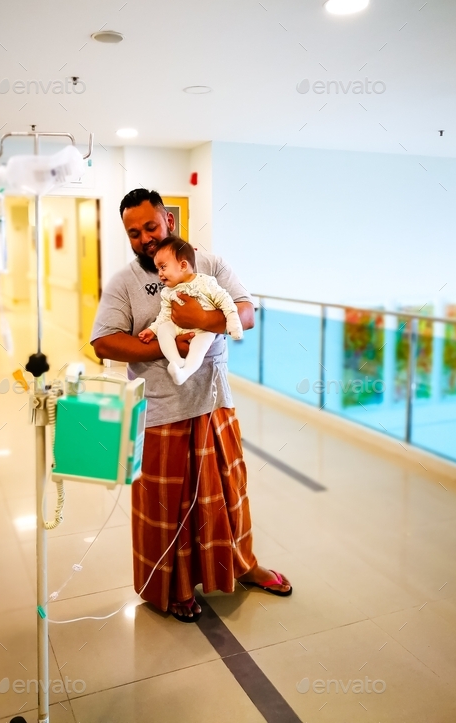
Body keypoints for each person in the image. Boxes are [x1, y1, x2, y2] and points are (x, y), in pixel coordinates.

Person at [91, 188, 292, 622]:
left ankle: (244, 566)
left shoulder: (210, 265)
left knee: (228, 496)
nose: (144, 238)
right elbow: (102, 342)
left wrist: (202, 322)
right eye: (133, 232)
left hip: (215, 404)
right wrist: (166, 348)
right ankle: (173, 588)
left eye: (150, 226)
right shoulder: (124, 282)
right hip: (161, 412)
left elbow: (247, 312)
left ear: (169, 221)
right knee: (168, 507)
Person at [138, 235, 243, 385]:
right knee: (163, 329)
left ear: (182, 266)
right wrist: (153, 329)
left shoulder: (205, 282)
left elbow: (224, 300)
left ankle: (184, 374)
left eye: (163, 267)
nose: (159, 273)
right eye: (157, 269)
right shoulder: (168, 292)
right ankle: (176, 360)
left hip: (203, 331)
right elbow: (165, 315)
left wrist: (233, 321)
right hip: (177, 327)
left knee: (198, 351)